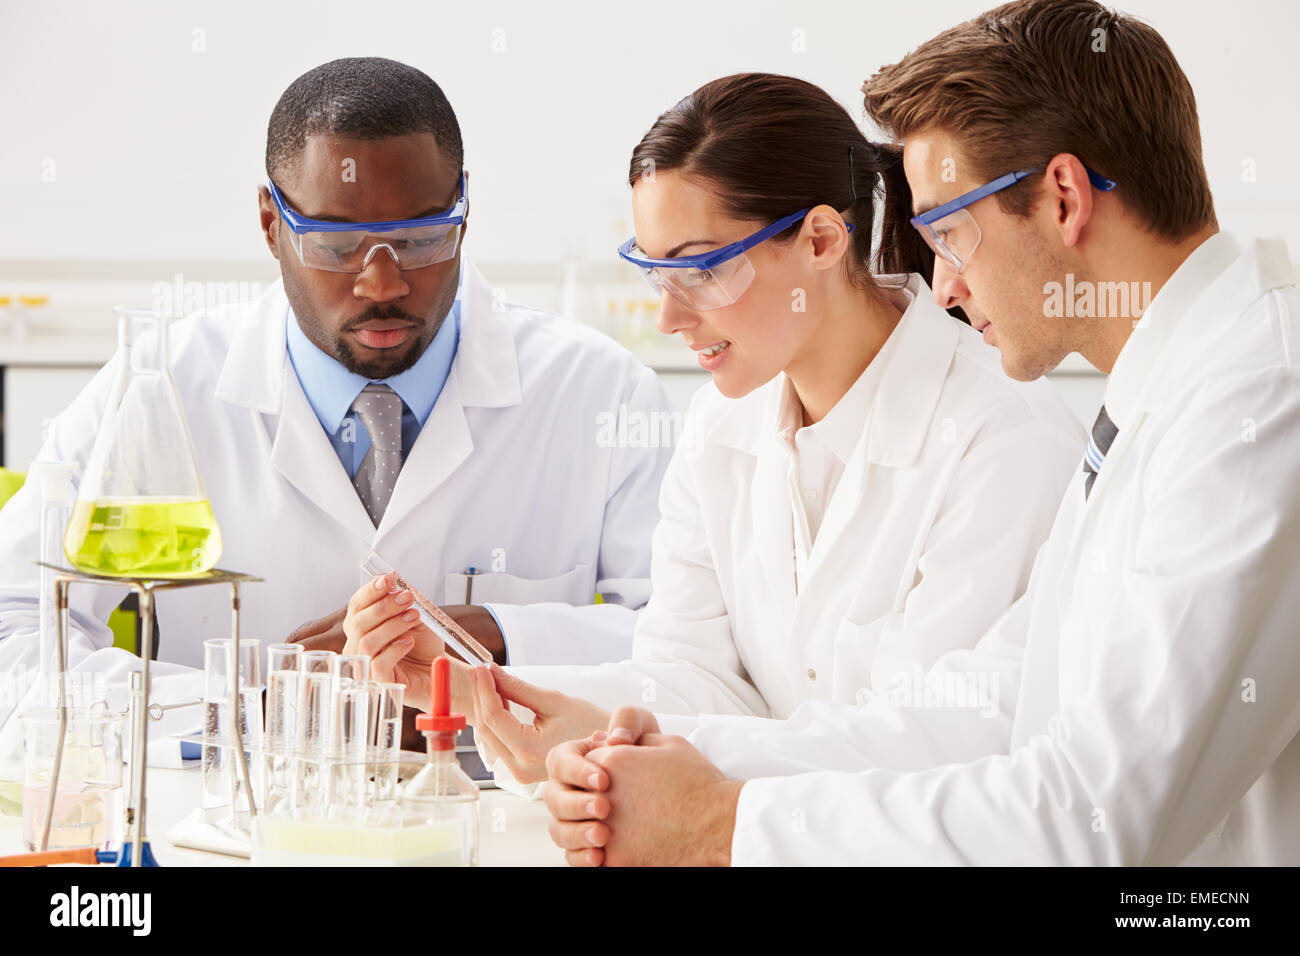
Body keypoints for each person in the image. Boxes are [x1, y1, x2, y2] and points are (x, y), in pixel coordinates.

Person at [542, 0, 1300, 867]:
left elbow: (1096, 813)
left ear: (1063, 198)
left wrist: (725, 824)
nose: (939, 285)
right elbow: (995, 706)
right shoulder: (1168, 395)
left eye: (947, 231)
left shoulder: (1257, 411)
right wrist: (695, 772)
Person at [343, 73, 1083, 782]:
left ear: (823, 241)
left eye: (700, 272)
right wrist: (475, 684)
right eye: (655, 274)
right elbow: (687, 675)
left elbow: (921, 743)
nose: (670, 317)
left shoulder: (1003, 436)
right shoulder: (721, 423)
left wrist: (611, 740)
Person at [0, 58, 671, 731]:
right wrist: (250, 707)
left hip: (513, 816)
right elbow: (13, 631)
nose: (382, 283)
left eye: (419, 238)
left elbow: (691, 654)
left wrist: (496, 637)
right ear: (271, 222)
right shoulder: (157, 388)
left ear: (463, 214)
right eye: (335, 245)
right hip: (231, 820)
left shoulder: (601, 394)